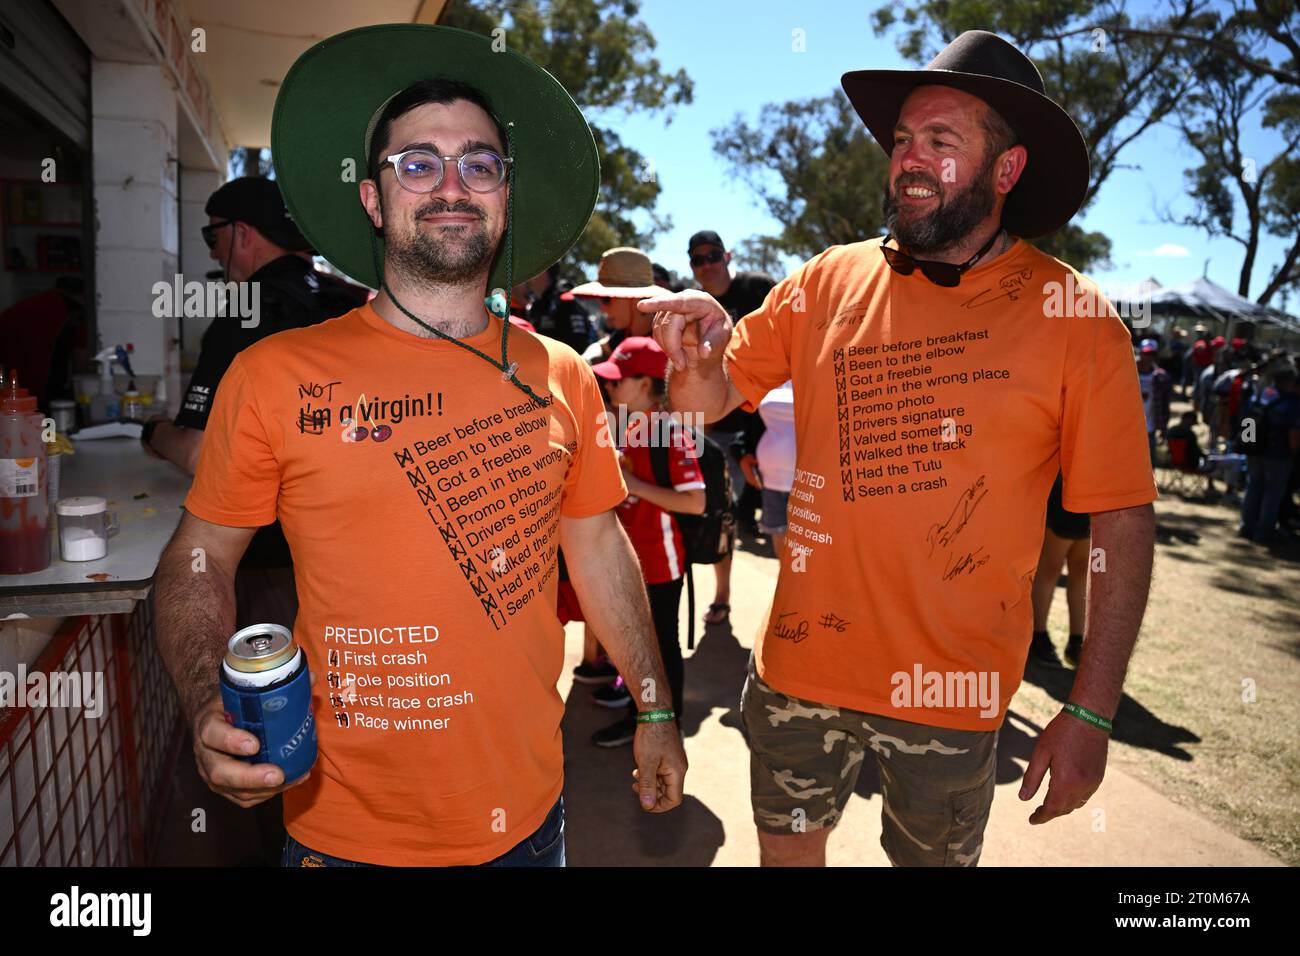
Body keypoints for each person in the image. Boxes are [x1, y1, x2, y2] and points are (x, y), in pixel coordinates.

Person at [152, 26, 686, 868]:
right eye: (416, 163)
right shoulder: (275, 375)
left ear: (504, 197)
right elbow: (198, 557)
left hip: (529, 825)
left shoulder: (561, 374)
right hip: (342, 837)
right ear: (372, 197)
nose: (451, 186)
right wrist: (201, 701)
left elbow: (595, 542)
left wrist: (654, 706)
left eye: (479, 164)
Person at [646, 30, 1156, 867]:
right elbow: (707, 401)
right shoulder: (827, 279)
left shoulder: (1078, 320)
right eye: (903, 141)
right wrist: (693, 364)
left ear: (1006, 170)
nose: (910, 161)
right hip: (798, 675)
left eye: (942, 141)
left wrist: (1092, 710)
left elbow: (1122, 521)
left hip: (951, 700)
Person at [140, 176, 367, 865]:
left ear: (240, 233)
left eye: (213, 236)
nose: (215, 253)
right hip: (364, 564)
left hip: (269, 568)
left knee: (269, 750)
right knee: (358, 725)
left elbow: (207, 451)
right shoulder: (353, 301)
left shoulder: (244, 311)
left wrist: (151, 432)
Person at [589, 337, 705, 746]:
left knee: (659, 646)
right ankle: (641, 707)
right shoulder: (628, 425)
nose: (610, 388)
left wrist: (632, 483)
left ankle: (660, 722)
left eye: (618, 381)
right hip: (633, 557)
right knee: (639, 639)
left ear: (644, 384)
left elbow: (695, 501)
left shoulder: (670, 432)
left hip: (660, 560)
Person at [687, 230, 776, 624]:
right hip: (709, 428)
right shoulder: (695, 307)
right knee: (716, 513)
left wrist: (757, 439)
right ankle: (721, 593)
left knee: (774, 519)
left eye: (711, 256)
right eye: (697, 260)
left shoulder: (757, 287)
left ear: (727, 255)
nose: (706, 265)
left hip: (762, 427)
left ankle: (786, 611)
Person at [1029, 474, 1090, 669]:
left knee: (1081, 570)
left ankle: (1077, 642)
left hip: (1094, 494)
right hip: (1064, 487)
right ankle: (1037, 636)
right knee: (1050, 567)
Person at [1239, 362, 1300, 543]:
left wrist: (1247, 447)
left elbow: (1246, 420)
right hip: (1278, 455)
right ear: (1290, 382)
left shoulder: (1260, 395)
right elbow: (1294, 434)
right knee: (1272, 494)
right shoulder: (1291, 403)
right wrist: (1294, 455)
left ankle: (1246, 527)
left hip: (1254, 452)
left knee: (1253, 488)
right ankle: (1263, 533)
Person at [739, 380, 796, 558]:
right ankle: (786, 580)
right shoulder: (769, 374)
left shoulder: (815, 374)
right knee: (777, 528)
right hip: (770, 475)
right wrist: (743, 454)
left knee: (805, 536)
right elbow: (750, 422)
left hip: (806, 476)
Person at [574, 247, 660, 363]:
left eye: (606, 299)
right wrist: (585, 360)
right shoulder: (624, 333)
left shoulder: (665, 338)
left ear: (635, 297)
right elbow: (601, 347)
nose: (603, 309)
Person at [521, 263, 596, 353]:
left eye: (532, 272)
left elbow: (579, 344)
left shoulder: (565, 300)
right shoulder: (535, 304)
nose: (528, 278)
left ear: (543, 273)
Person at [1136, 338, 1171, 467]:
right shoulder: (1126, 373)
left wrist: (1163, 427)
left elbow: (1164, 404)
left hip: (1148, 427)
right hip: (1127, 426)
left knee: (1149, 464)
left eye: (1152, 354)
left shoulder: (1161, 377)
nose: (1148, 357)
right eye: (1146, 353)